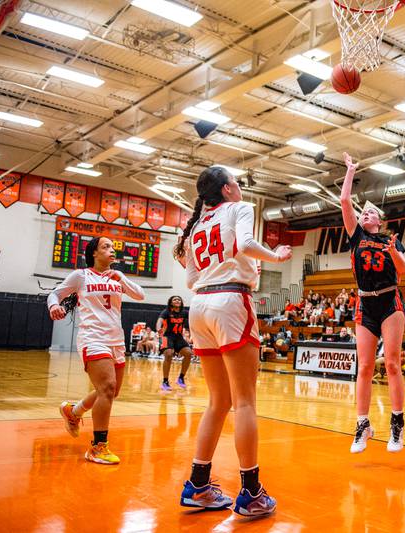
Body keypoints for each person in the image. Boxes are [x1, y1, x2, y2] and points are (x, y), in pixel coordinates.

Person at [173, 165, 291, 515]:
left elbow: (191, 278)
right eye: (236, 183)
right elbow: (245, 243)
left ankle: (197, 484)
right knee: (244, 402)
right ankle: (251, 492)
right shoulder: (239, 208)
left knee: (217, 401)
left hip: (200, 306)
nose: (239, 187)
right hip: (230, 301)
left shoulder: (195, 225)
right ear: (226, 190)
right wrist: (276, 256)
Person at [50, 236, 145, 464]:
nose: (112, 250)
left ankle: (73, 412)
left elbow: (140, 295)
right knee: (107, 387)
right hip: (93, 337)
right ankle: (98, 447)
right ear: (94, 252)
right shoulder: (81, 276)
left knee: (111, 391)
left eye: (113, 247)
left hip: (116, 339)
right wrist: (54, 305)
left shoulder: (117, 277)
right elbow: (55, 293)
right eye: (106, 247)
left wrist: (121, 277)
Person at [340, 153, 405, 454]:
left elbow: (404, 270)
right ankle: (363, 424)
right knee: (365, 366)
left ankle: (397, 422)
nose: (365, 216)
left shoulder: (390, 240)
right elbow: (344, 202)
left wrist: (394, 252)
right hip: (365, 304)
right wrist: (351, 171)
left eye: (370, 214)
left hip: (390, 301)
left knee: (392, 363)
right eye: (362, 214)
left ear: (379, 222)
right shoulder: (355, 237)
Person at [157, 295, 193, 391]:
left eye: (179, 299)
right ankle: (165, 381)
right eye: (175, 299)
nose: (177, 300)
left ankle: (181, 378)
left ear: (181, 302)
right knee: (168, 354)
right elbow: (159, 321)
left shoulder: (184, 312)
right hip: (167, 336)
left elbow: (194, 318)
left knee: (189, 353)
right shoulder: (166, 312)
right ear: (171, 302)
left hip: (178, 337)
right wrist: (158, 329)